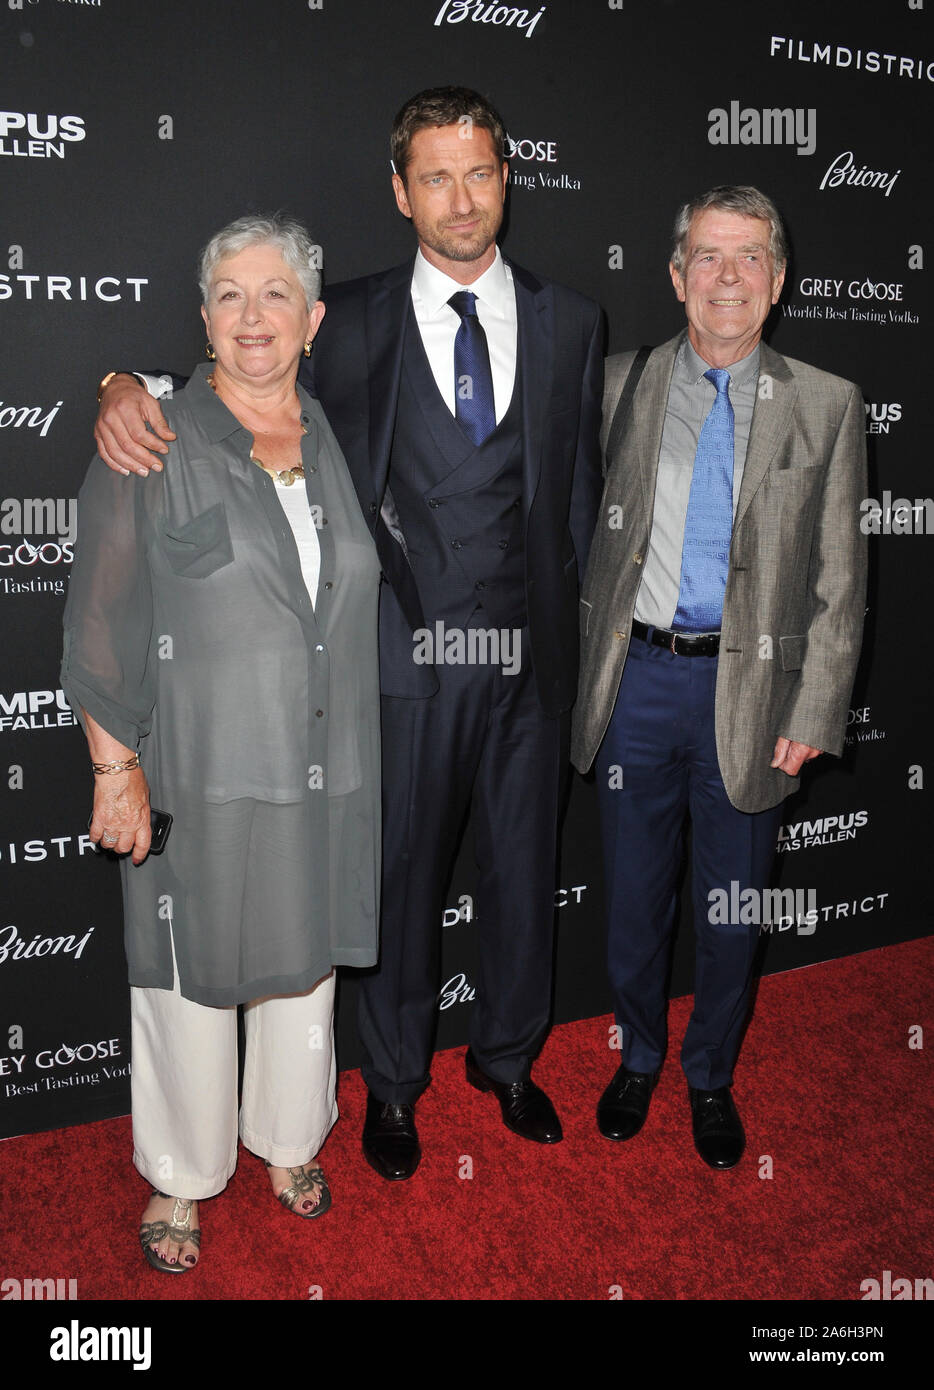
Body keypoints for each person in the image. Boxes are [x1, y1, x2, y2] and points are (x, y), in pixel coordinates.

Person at [93, 87, 603, 1180]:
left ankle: (511, 1061)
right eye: (434, 176)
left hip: (525, 668)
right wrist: (119, 385)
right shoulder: (347, 317)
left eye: (477, 172)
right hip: (397, 665)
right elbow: (237, 367)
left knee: (523, 872)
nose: (459, 198)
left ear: (506, 178)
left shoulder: (574, 320)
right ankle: (397, 1086)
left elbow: (573, 504)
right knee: (397, 883)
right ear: (399, 192)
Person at [62, 214, 381, 1269]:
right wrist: (115, 766)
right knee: (184, 978)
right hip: (194, 772)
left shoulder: (334, 432)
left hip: (325, 768)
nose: (254, 317)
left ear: (313, 317)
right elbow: (100, 619)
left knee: (305, 972)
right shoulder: (148, 434)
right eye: (230, 296)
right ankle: (182, 1176)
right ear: (202, 319)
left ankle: (288, 1139)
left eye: (276, 293)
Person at [571, 185, 867, 1169]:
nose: (727, 277)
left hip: (752, 698)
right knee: (631, 902)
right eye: (707, 255)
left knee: (734, 908)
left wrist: (815, 704)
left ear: (777, 280)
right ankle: (639, 1056)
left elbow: (837, 577)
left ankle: (707, 1075)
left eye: (749, 258)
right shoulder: (615, 384)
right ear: (674, 274)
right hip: (636, 687)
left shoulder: (825, 405)